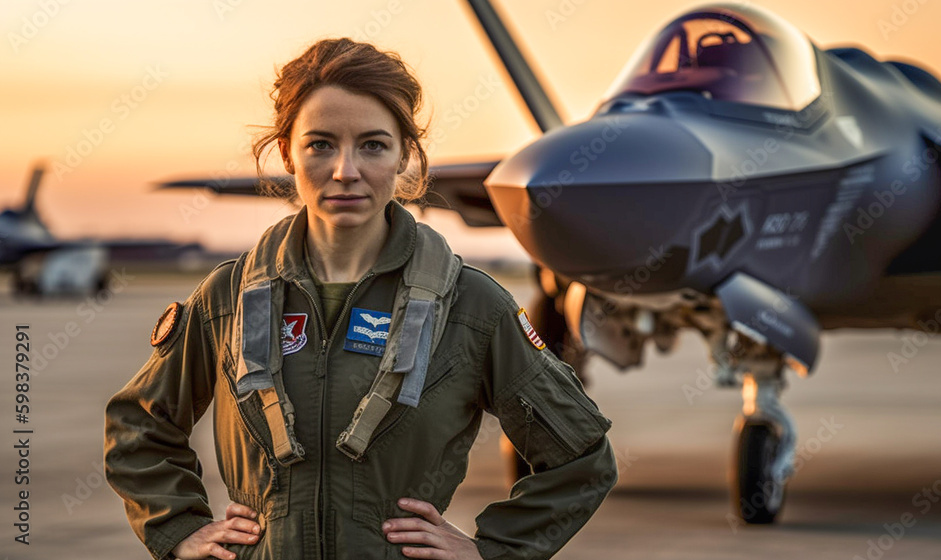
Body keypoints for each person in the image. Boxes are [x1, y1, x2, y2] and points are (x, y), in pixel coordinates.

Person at [105, 38, 617, 560]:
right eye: (320, 144)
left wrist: (492, 551)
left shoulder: (471, 307)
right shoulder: (226, 300)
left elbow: (581, 456)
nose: (345, 170)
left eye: (373, 145)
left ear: (405, 156)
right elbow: (138, 425)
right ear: (288, 152)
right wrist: (180, 529)